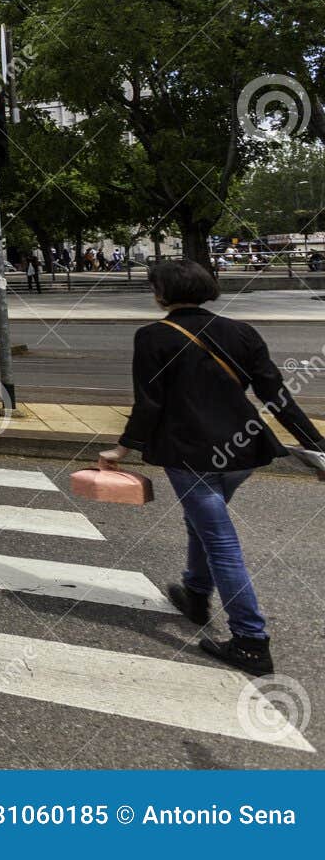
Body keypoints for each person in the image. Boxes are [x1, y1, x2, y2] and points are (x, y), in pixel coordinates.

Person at [100, 260, 325, 676]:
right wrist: (318, 446)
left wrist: (122, 449)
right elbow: (277, 396)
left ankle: (250, 641)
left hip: (190, 454)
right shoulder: (242, 332)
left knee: (220, 541)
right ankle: (196, 594)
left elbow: (149, 403)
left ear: (162, 293)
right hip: (241, 451)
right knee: (202, 523)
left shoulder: (153, 337)